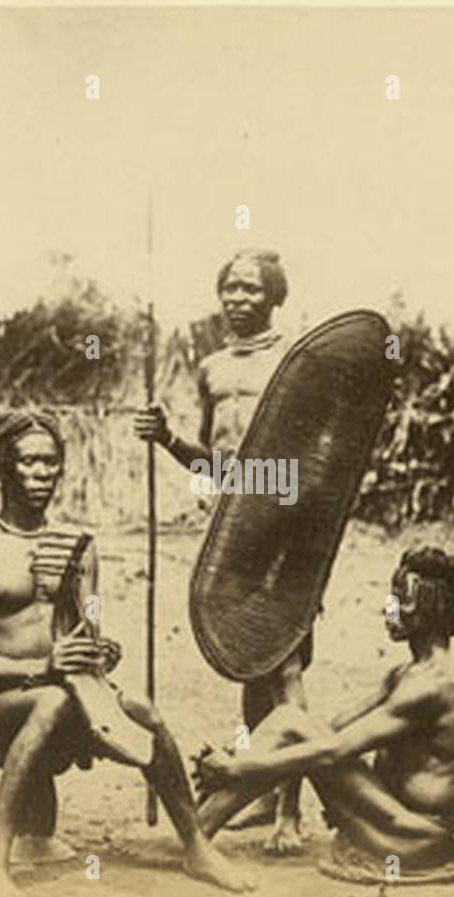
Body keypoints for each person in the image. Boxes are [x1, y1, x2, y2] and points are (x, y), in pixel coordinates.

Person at [0, 412, 255, 897]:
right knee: (48, 703)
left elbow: (89, 626)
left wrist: (99, 652)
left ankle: (196, 845)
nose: (42, 473)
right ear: (3, 466)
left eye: (51, 463)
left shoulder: (78, 546)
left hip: (71, 695)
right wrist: (43, 667)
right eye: (29, 462)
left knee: (145, 713)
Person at [133, 248, 309, 855]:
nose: (237, 298)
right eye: (229, 287)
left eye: (250, 289)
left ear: (274, 295)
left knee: (285, 663)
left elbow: (312, 459)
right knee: (244, 660)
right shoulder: (209, 368)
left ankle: (291, 812)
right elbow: (213, 462)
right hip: (229, 527)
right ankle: (259, 790)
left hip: (282, 527)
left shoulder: (297, 358)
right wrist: (168, 440)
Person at [193, 547, 454, 883]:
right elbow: (329, 729)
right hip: (393, 819)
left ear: (429, 609)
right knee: (289, 720)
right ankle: (195, 833)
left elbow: (335, 750)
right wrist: (248, 752)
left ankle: (194, 836)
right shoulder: (406, 674)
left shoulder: (431, 687)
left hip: (412, 840)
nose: (387, 609)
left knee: (289, 723)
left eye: (399, 599)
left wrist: (239, 768)